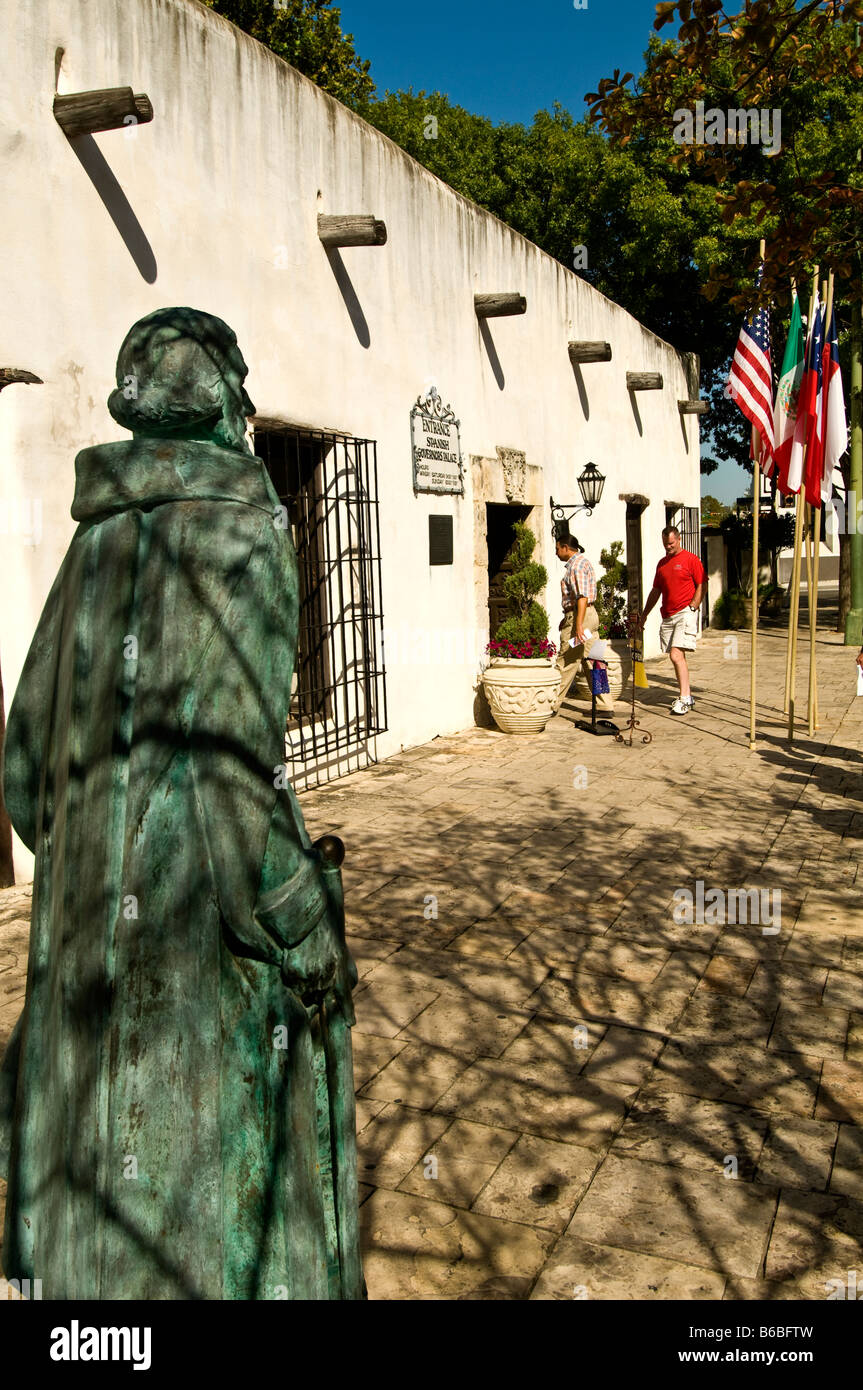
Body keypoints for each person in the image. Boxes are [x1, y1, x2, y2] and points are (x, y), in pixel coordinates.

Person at [0, 308, 362, 1300]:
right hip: (201, 949)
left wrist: (99, 855)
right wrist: (301, 919)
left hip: (84, 948)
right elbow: (229, 774)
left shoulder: (92, 547)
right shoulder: (244, 527)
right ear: (228, 402)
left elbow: (24, 774)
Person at [638, 525, 706, 716]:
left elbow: (702, 583)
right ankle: (687, 695)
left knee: (676, 655)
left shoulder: (691, 560)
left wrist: (694, 605)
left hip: (685, 611)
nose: (668, 547)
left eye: (671, 544)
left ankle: (684, 698)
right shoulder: (662, 564)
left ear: (678, 539)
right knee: (676, 655)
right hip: (667, 615)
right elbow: (656, 590)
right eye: (665, 544)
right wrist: (644, 615)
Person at [553, 533, 615, 717]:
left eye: (557, 548)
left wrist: (577, 625)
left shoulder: (576, 565)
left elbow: (582, 597)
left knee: (566, 659)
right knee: (594, 661)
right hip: (587, 618)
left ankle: (550, 703)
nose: (556, 552)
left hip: (582, 620)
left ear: (565, 547)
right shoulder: (583, 562)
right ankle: (605, 704)